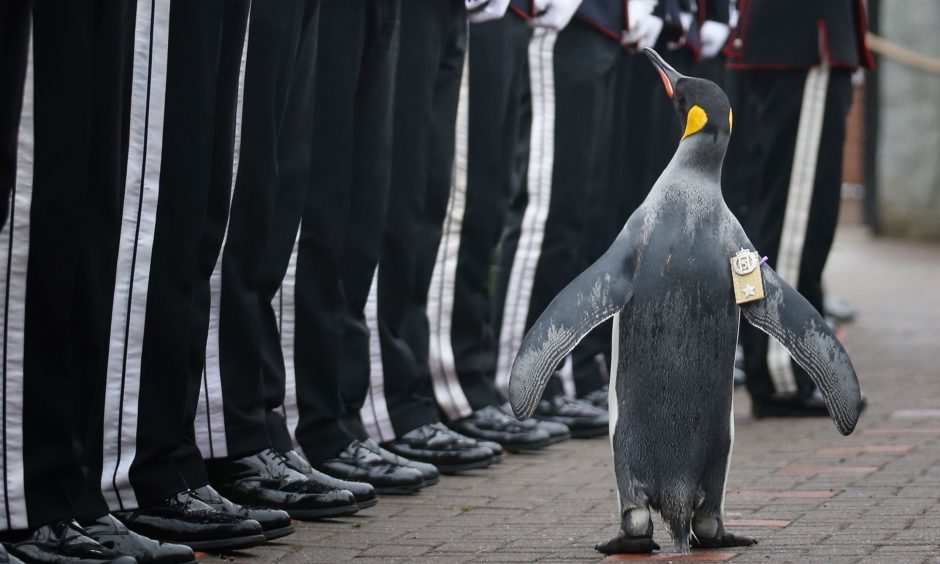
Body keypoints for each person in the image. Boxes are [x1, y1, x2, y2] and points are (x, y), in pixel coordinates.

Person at [725, 0, 873, 417]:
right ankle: (779, 369)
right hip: (805, 36)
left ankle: (783, 367)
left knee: (796, 216)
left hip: (804, 39)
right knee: (794, 224)